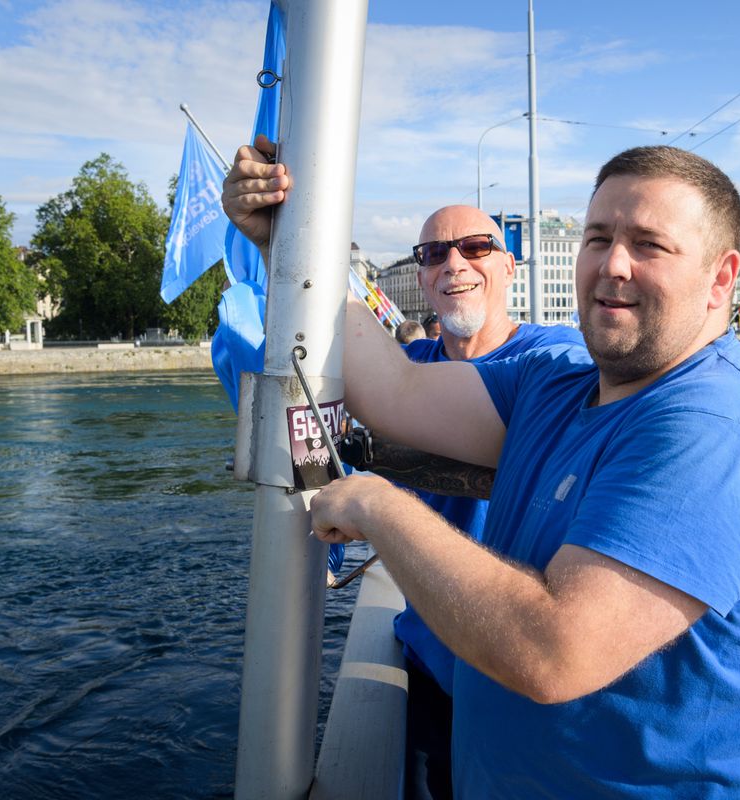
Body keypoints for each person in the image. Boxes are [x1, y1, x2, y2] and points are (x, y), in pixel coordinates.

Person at [232, 142, 740, 798]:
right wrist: (287, 246)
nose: (613, 266)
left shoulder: (717, 430)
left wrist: (379, 505)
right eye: (598, 237)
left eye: (649, 244)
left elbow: (554, 650)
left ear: (721, 278)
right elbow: (393, 390)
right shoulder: (553, 384)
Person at [222, 134, 585, 800]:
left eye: (477, 248)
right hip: (438, 655)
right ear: (420, 277)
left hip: (523, 659)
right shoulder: (405, 374)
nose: (455, 263)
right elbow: (327, 447)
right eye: (434, 253)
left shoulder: (555, 363)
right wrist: (282, 241)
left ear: (510, 267)